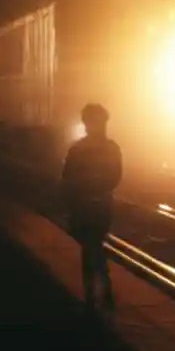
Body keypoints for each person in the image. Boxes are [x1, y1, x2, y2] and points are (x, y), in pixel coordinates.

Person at [60, 103, 122, 311]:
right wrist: (99, 188)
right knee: (95, 245)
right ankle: (104, 290)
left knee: (89, 247)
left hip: (84, 205)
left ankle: (94, 294)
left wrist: (73, 199)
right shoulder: (112, 148)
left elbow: (67, 178)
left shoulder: (77, 150)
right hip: (102, 205)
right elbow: (116, 177)